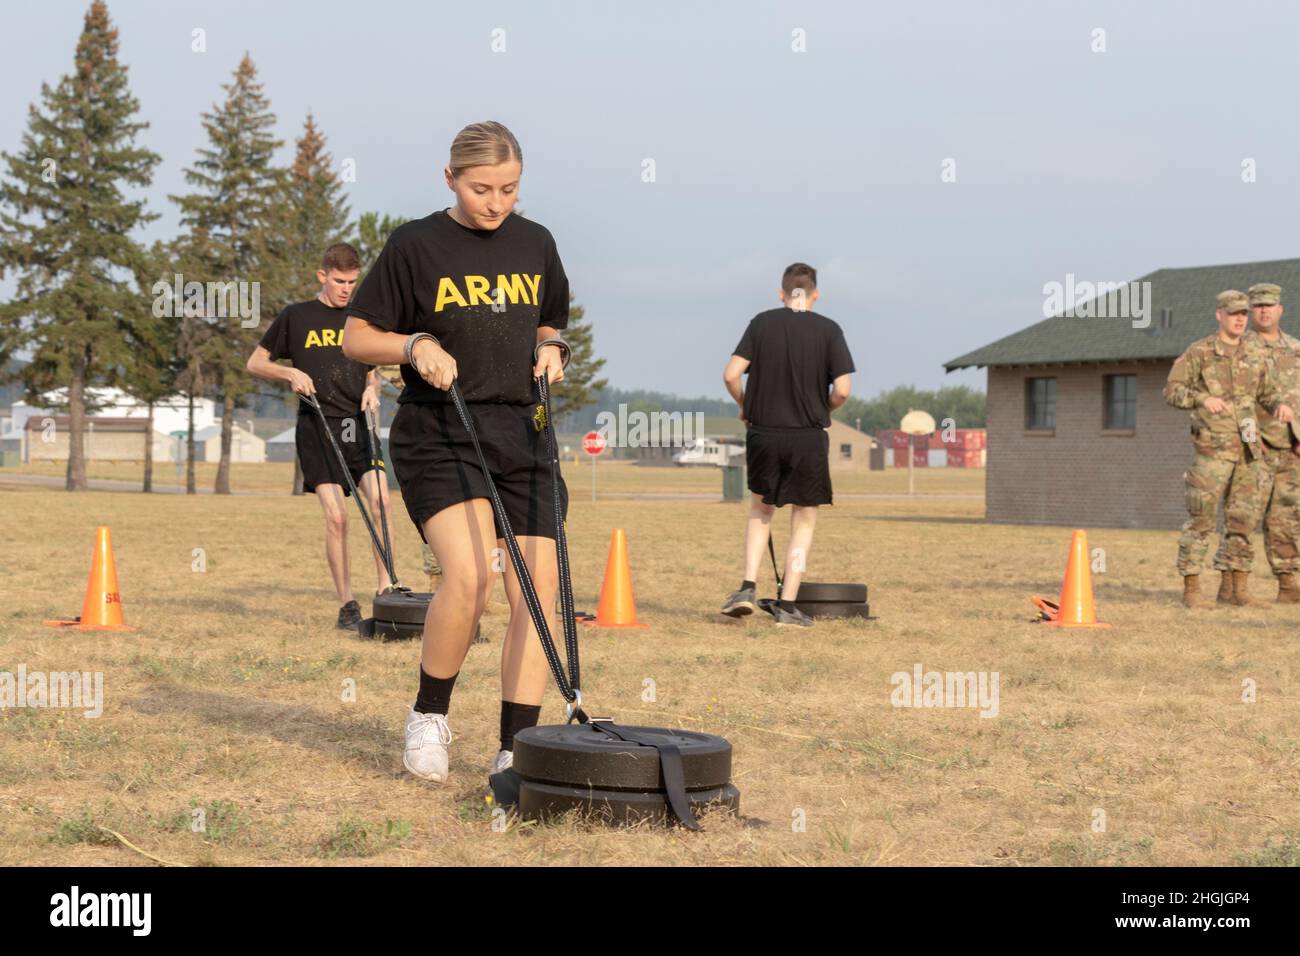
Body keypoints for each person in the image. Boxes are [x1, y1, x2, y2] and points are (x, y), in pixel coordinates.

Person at [340, 121, 571, 783]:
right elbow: (357, 337)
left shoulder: (536, 243)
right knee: (469, 579)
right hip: (439, 432)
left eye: (509, 189)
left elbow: (549, 318)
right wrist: (413, 346)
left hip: (520, 433)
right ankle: (428, 716)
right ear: (450, 179)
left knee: (538, 589)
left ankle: (514, 747)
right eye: (480, 189)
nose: (495, 202)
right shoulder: (416, 245)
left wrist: (551, 346)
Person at [246, 243, 394, 629]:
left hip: (357, 423)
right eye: (340, 281)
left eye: (352, 281)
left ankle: (386, 590)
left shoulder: (360, 318)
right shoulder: (297, 316)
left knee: (382, 502)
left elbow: (369, 364)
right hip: (318, 426)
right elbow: (256, 362)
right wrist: (289, 373)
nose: (346, 289)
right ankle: (347, 605)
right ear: (322, 276)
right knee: (339, 518)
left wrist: (372, 388)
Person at [718, 263, 854, 627]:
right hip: (808, 436)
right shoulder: (829, 330)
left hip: (764, 432)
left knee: (761, 511)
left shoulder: (762, 323)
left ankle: (747, 587)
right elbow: (842, 389)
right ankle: (787, 605)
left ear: (781, 294)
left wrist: (745, 405)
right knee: (804, 521)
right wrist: (823, 407)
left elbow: (731, 374)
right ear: (815, 294)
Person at [1163, 289, 1295, 608]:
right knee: (1202, 521)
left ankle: (1234, 589)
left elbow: (1268, 391)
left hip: (1249, 451)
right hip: (1213, 450)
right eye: (1233, 313)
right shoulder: (1200, 352)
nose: (1239, 319)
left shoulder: (1254, 352)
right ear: (1219, 315)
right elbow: (1172, 391)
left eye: (1243, 314)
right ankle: (1192, 590)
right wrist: (1200, 398)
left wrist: (1281, 405)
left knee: (1242, 522)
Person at [1210, 283, 1300, 603]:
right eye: (1257, 306)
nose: (1263, 311)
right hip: (1252, 448)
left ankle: (1289, 586)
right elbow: (1235, 402)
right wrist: (1249, 442)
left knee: (1287, 519)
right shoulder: (1238, 348)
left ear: (1280, 310)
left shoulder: (1295, 348)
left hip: (1290, 450)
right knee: (1241, 517)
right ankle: (1234, 586)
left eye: (1269, 305)